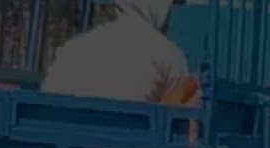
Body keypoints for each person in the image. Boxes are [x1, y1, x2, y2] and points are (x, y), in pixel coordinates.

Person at [41, 0, 192, 106]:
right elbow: (180, 121)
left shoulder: (72, 49)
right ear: (161, 10)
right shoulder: (170, 55)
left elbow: (45, 103)